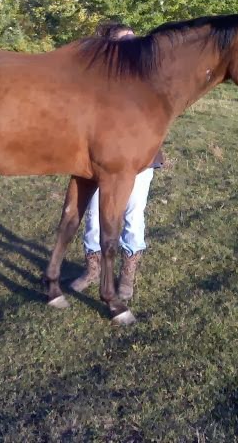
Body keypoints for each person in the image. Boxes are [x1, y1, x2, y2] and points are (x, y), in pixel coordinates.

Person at [70, 22, 165, 299]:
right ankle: (93, 269)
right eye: (125, 42)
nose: (133, 47)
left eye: (134, 40)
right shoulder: (96, 82)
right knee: (95, 217)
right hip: (100, 162)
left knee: (133, 215)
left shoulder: (148, 78)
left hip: (140, 162)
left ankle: (127, 274)